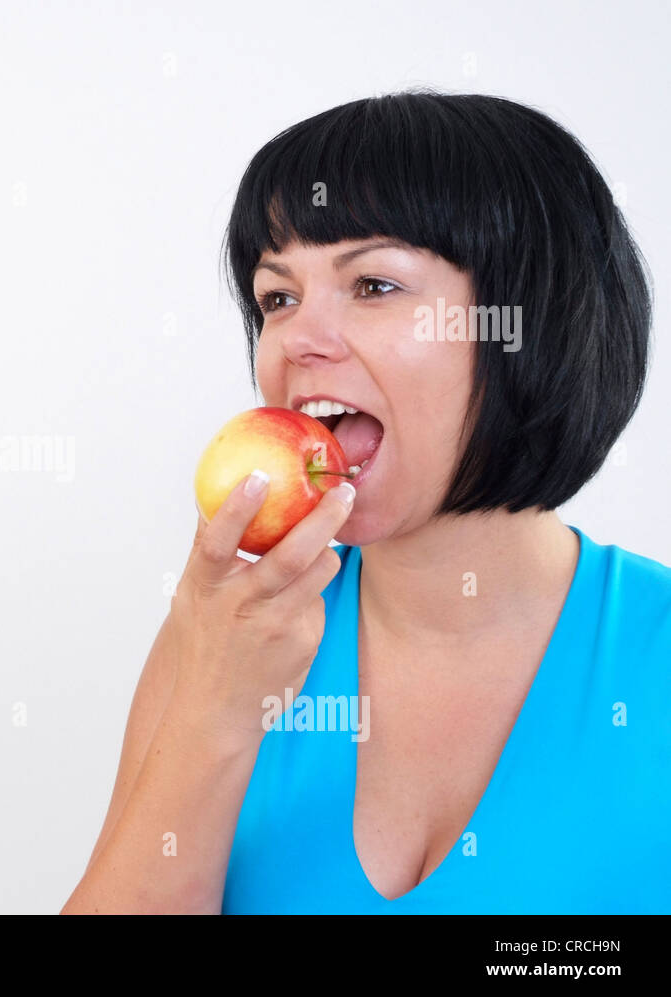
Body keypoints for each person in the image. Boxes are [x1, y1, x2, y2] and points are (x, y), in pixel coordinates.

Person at [65, 89, 670, 914]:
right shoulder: (221, 638)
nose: (299, 340)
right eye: (277, 298)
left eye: (375, 285)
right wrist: (215, 709)